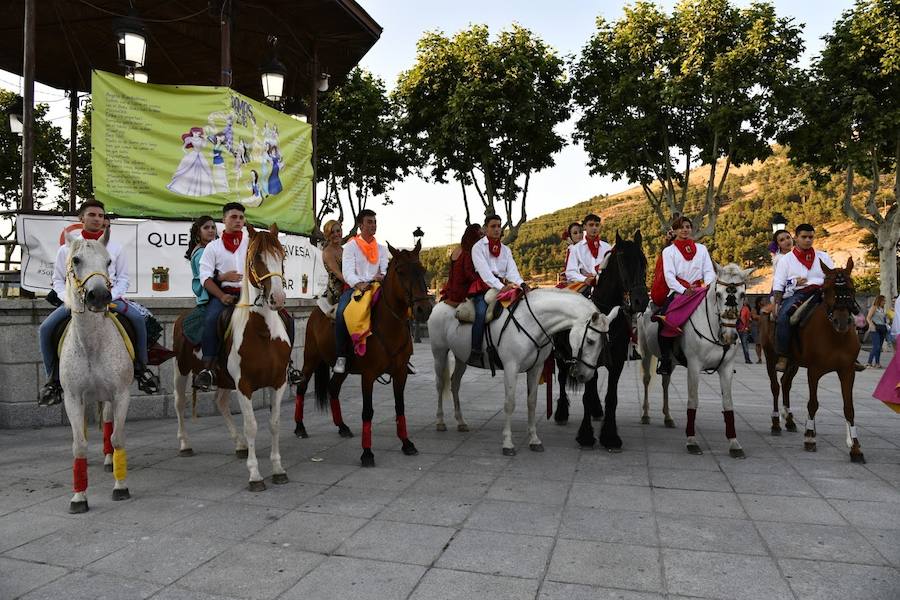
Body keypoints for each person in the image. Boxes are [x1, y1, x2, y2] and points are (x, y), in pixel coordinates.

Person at [38, 200, 154, 406]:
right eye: (92, 215)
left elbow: (124, 278)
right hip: (77, 302)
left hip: (110, 299)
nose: (97, 219)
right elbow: (57, 279)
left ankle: (142, 369)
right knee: (46, 328)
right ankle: (53, 381)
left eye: (101, 216)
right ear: (81, 219)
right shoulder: (67, 249)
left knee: (137, 320)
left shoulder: (115, 248)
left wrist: (112, 296)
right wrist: (68, 299)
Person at [193, 203, 248, 390]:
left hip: (249, 295)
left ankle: (287, 365)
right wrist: (222, 296)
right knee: (210, 320)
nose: (238, 221)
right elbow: (205, 278)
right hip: (224, 295)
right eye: (233, 217)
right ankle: (207, 368)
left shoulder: (251, 243)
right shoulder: (212, 248)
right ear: (224, 220)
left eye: (241, 217)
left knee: (284, 317)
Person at [655, 215, 716, 375]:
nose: (685, 230)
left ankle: (722, 353)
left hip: (699, 290)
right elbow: (669, 275)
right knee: (663, 320)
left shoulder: (702, 249)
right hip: (678, 292)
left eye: (688, 226)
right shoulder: (669, 251)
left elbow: (708, 270)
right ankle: (665, 359)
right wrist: (683, 290)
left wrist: (709, 285)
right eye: (681, 227)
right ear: (674, 231)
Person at [772, 223, 835, 372]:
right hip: (798, 293)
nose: (808, 240)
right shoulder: (785, 260)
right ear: (797, 238)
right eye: (804, 237)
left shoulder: (823, 256)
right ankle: (783, 356)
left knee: (846, 310)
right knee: (783, 318)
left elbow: (831, 276)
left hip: (822, 291)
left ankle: (850, 353)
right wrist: (777, 304)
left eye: (811, 237)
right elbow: (779, 284)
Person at [334, 209, 389, 374]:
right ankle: (341, 356)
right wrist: (359, 284)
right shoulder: (350, 247)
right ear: (360, 225)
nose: (373, 225)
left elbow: (385, 270)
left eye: (374, 222)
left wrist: (381, 277)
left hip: (376, 287)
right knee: (341, 312)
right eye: (369, 222)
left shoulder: (382, 249)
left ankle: (401, 354)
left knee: (399, 307)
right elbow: (348, 272)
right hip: (356, 288)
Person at [469, 215, 525, 366]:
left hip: (502, 285)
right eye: (493, 226)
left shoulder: (506, 250)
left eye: (499, 226)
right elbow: (485, 274)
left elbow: (512, 272)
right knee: (481, 312)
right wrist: (502, 287)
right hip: (483, 286)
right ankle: (475, 350)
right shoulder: (478, 247)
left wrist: (522, 284)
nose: (496, 229)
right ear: (485, 228)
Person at [566, 213, 611, 290]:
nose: (594, 228)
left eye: (597, 225)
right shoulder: (576, 249)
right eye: (591, 225)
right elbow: (570, 272)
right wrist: (584, 279)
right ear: (584, 227)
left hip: (605, 286)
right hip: (584, 285)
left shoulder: (607, 247)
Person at [441, 223, 482, 304]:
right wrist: (482, 279)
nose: (481, 237)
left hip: (450, 290)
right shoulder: (467, 252)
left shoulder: (457, 249)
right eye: (479, 234)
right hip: (462, 292)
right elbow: (469, 274)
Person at [186, 215, 218, 304]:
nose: (211, 230)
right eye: (206, 228)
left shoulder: (208, 249)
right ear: (198, 232)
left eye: (213, 227)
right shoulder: (202, 253)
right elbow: (209, 280)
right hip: (209, 299)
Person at [321, 219, 347, 306]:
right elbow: (338, 274)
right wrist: (356, 284)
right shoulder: (328, 252)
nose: (336, 234)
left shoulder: (344, 250)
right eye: (332, 232)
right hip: (336, 293)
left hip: (348, 286)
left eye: (338, 231)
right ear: (327, 235)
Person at [867, 294, 888, 368]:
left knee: (880, 347)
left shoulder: (882, 309)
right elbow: (868, 318)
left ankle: (877, 363)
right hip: (875, 329)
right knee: (876, 346)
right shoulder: (874, 307)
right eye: (883, 300)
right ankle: (869, 363)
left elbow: (884, 320)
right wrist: (871, 325)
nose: (885, 302)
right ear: (879, 300)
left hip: (882, 328)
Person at [737, 297, 753, 364]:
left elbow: (749, 319)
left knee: (744, 344)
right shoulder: (736, 308)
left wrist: (747, 327)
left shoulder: (746, 309)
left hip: (743, 329)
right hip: (735, 328)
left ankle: (747, 359)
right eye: (744, 300)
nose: (745, 302)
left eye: (746, 301)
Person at [751, 297, 766, 363]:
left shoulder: (766, 308)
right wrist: (762, 317)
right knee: (758, 343)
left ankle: (764, 357)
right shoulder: (754, 309)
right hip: (755, 327)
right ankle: (759, 358)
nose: (764, 301)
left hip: (763, 327)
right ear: (759, 302)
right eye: (763, 300)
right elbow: (754, 316)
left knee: (763, 343)